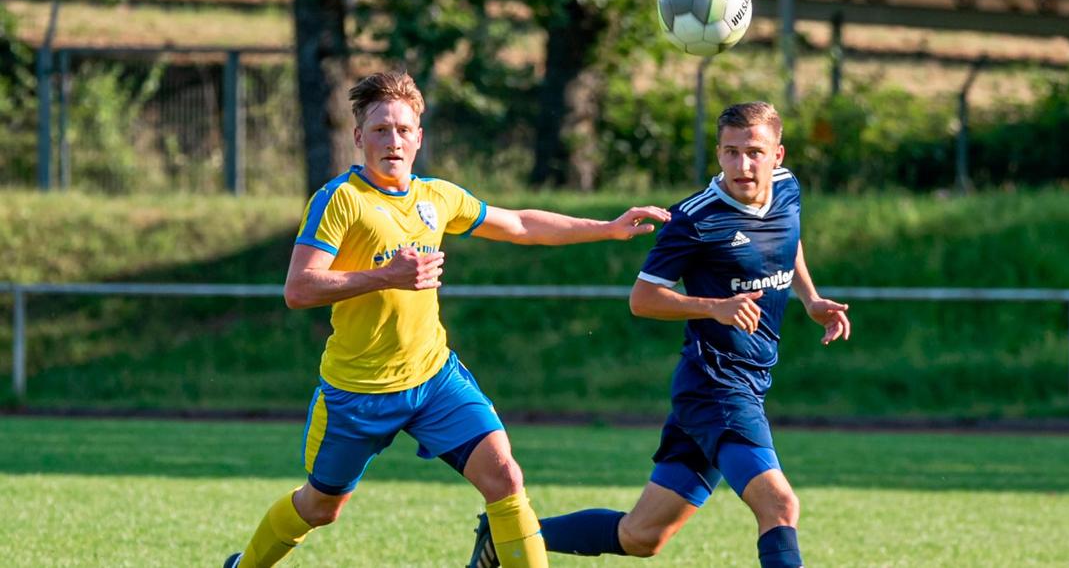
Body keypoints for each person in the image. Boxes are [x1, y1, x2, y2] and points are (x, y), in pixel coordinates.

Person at [223, 70, 670, 568]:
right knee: (320, 507)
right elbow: (299, 289)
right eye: (379, 129)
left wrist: (606, 228)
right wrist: (385, 276)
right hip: (357, 392)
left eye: (403, 129)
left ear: (419, 137)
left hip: (433, 378)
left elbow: (520, 224)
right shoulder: (341, 200)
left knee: (505, 476)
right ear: (358, 137)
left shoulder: (437, 197)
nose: (392, 140)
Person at [468, 101, 850, 568]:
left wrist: (810, 299)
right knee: (780, 505)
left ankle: (507, 535)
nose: (742, 165)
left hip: (745, 383)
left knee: (641, 536)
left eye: (754, 152)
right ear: (718, 153)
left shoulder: (787, 189)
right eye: (730, 152)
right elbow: (643, 298)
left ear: (778, 155)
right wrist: (716, 308)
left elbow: (787, 242)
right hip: (716, 387)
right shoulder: (694, 219)